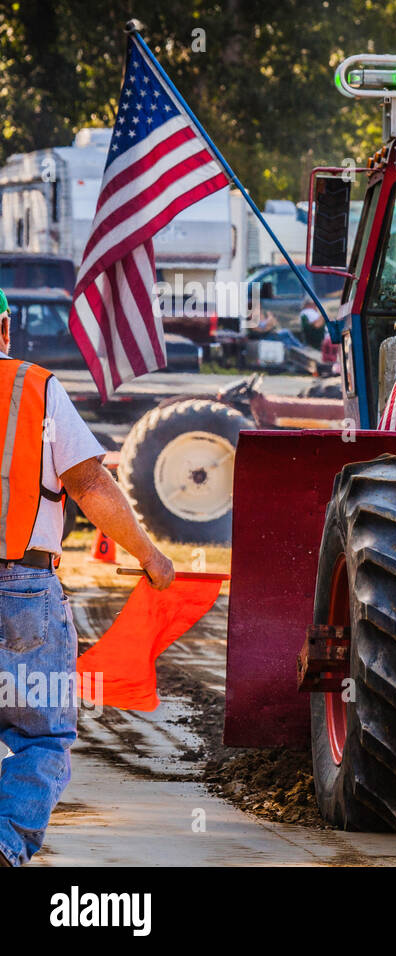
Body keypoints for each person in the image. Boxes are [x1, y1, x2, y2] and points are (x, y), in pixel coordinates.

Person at [0, 288, 174, 867]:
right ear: (4, 328)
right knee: (41, 733)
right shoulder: (35, 388)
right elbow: (90, 485)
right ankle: (5, 840)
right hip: (23, 587)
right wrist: (150, 556)